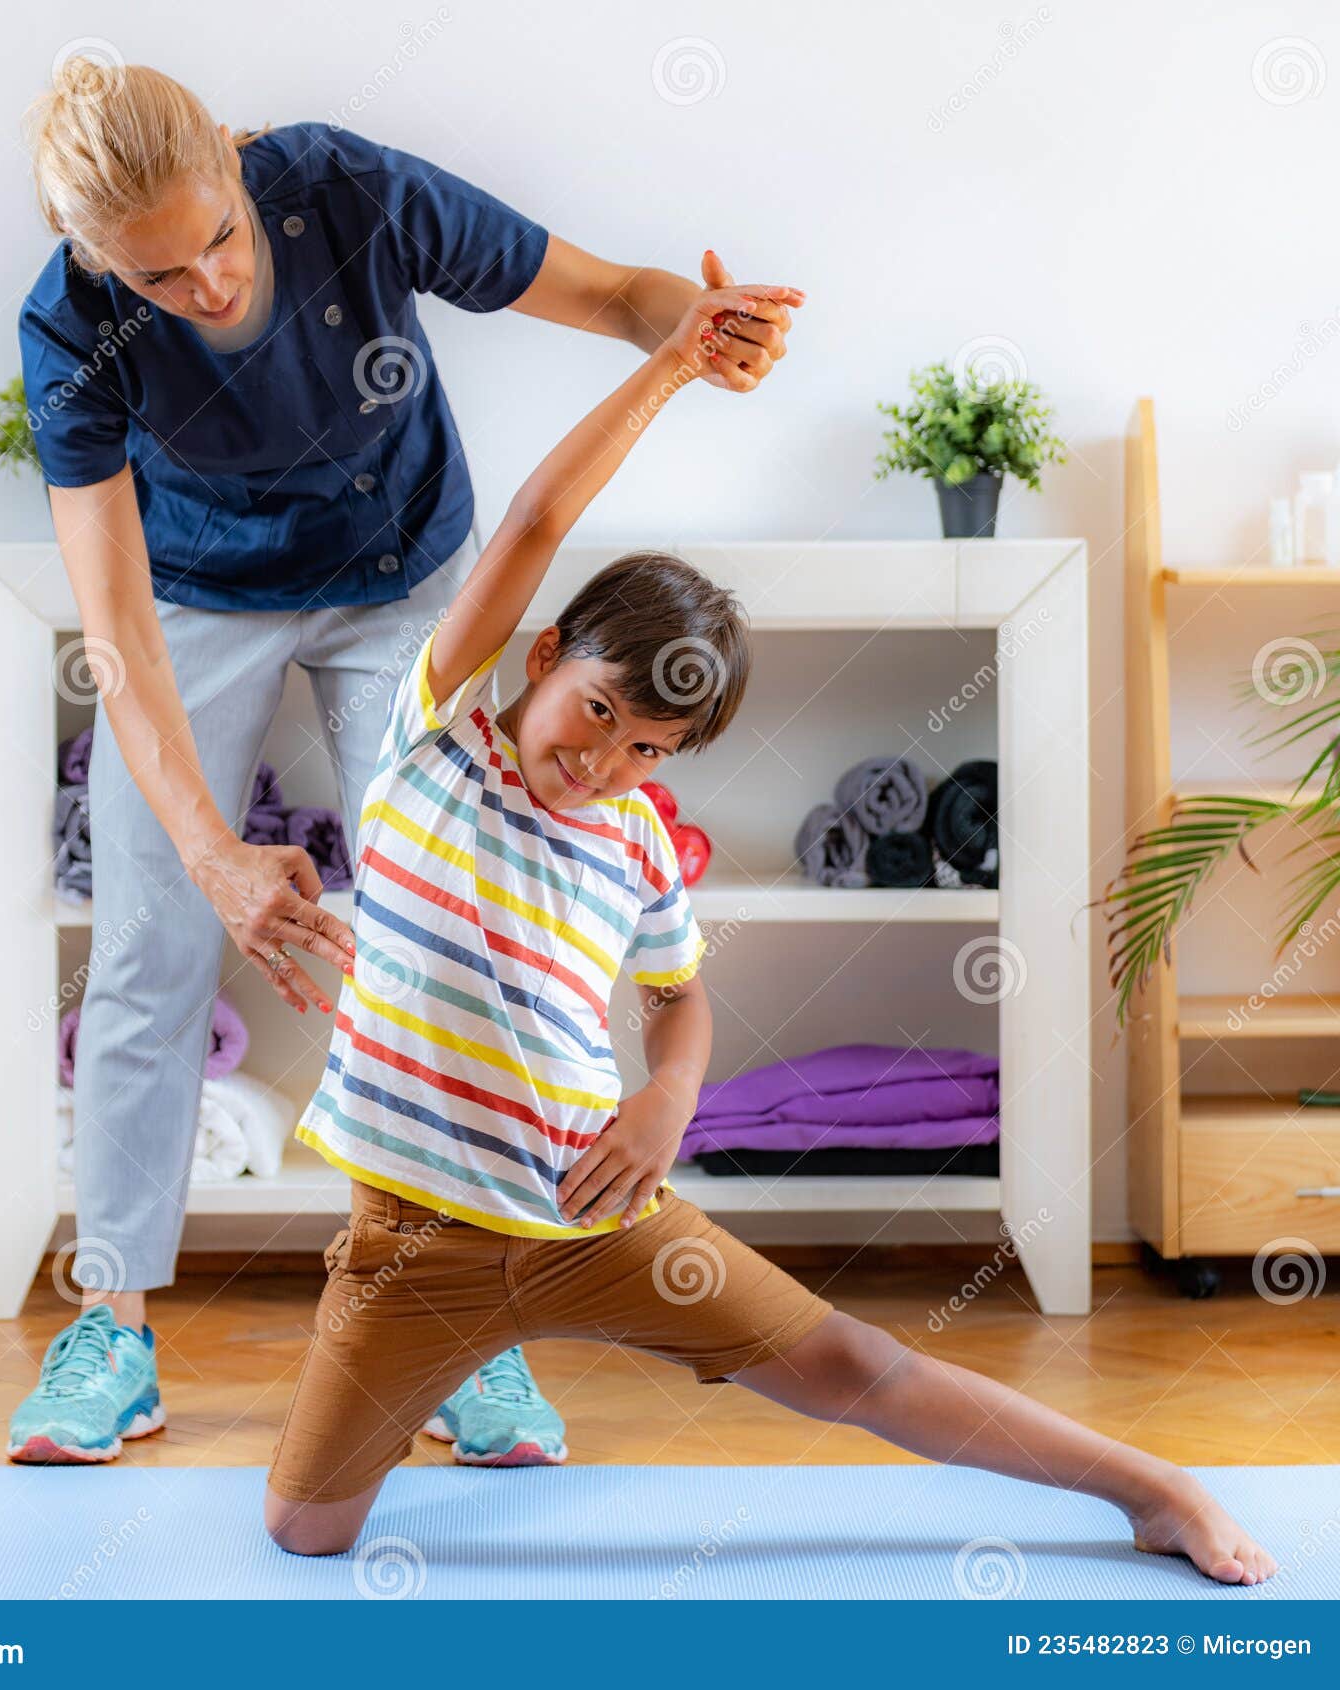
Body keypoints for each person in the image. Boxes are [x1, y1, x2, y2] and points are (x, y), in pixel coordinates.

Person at [262, 275, 1278, 1590]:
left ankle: (1154, 1485)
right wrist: (672, 365)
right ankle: (465, 1366)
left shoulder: (635, 845)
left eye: (648, 748)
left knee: (854, 1366)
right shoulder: (435, 746)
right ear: (543, 653)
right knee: (304, 1530)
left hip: (595, 1213)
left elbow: (678, 994)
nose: (605, 761)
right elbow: (535, 517)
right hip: (415, 1251)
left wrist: (669, 1100)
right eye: (595, 714)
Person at [6, 58, 799, 1466]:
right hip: (196, 599)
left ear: (245, 170)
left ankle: (457, 1324)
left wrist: (701, 327)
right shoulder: (72, 330)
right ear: (89, 260)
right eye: (160, 278)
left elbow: (621, 295)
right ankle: (112, 1330)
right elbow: (117, 629)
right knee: (148, 941)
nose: (211, 291)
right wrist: (211, 854)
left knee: (448, 926)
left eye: (223, 243)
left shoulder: (349, 192)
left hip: (401, 582)